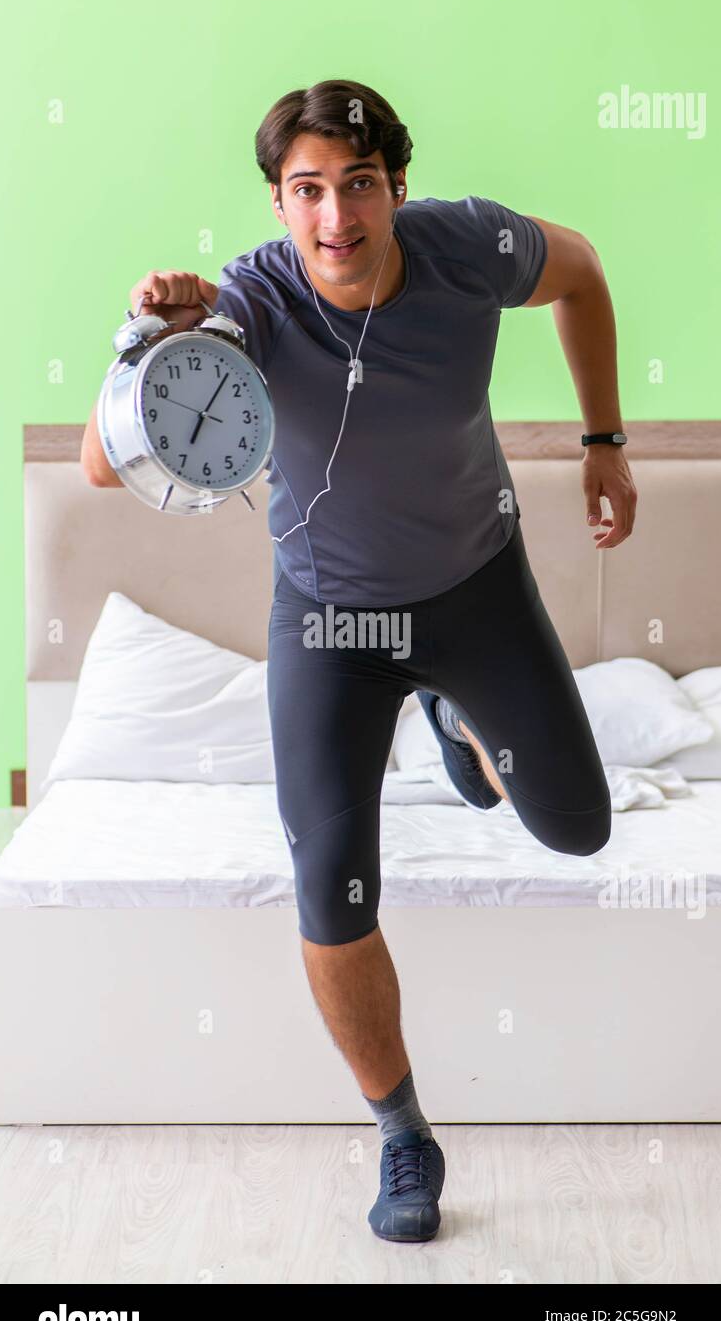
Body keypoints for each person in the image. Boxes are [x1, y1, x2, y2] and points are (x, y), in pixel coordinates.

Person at [81, 77, 638, 1244]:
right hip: (329, 624)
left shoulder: (467, 247)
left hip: (475, 589)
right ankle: (402, 1133)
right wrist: (151, 335)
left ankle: (449, 717)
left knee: (577, 827)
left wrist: (603, 443)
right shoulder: (244, 306)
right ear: (279, 203)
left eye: (360, 186)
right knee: (332, 896)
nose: (336, 216)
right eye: (307, 191)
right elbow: (98, 462)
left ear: (397, 188)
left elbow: (581, 270)